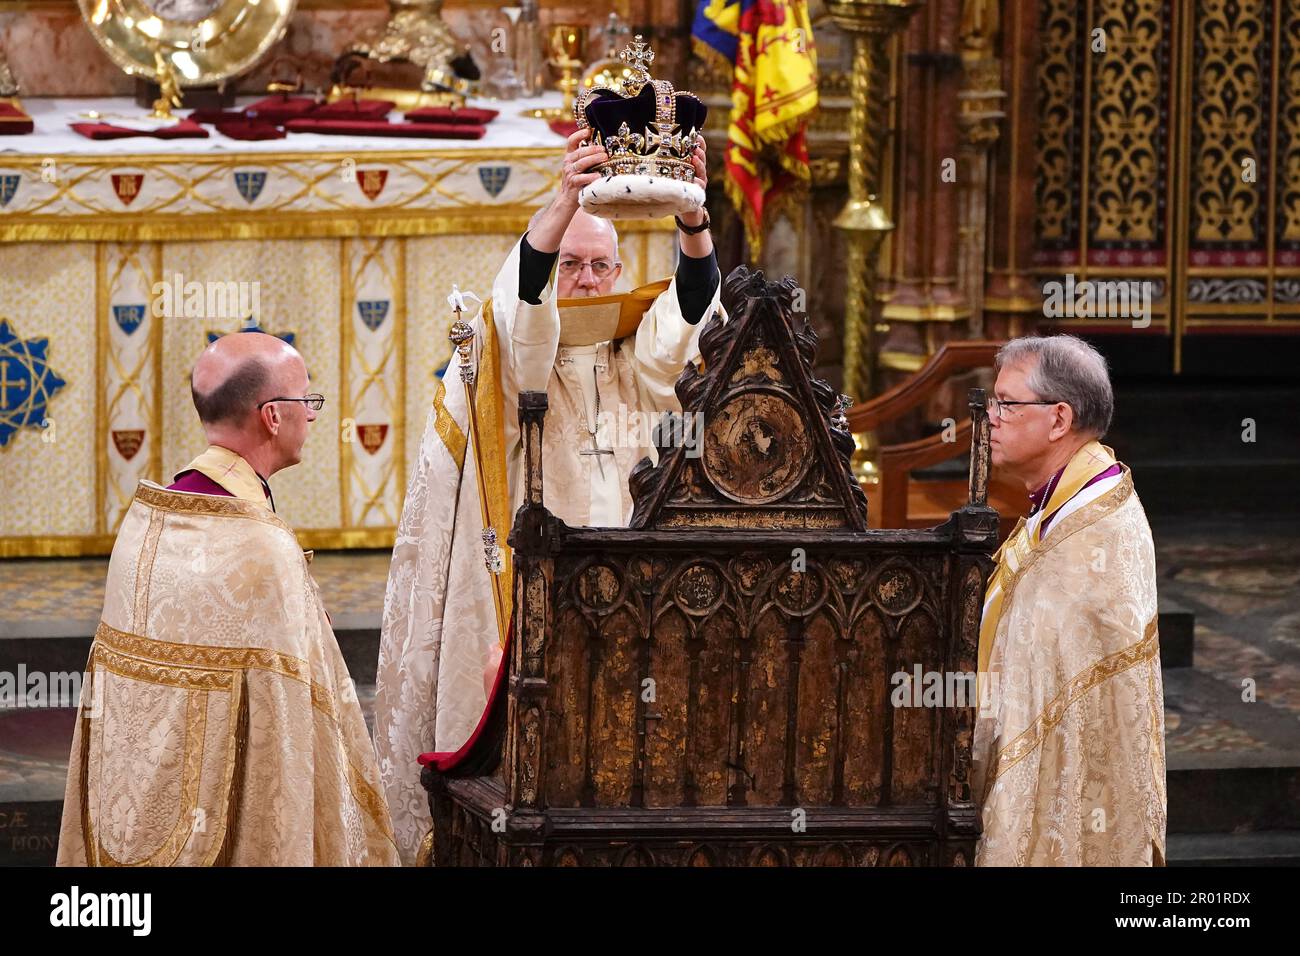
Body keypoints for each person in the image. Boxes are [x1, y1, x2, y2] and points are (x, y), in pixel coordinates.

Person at [375, 130, 724, 862]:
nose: (589, 279)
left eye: (602, 265)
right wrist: (565, 202)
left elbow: (685, 330)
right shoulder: (502, 347)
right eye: (572, 263)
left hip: (631, 589)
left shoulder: (629, 348)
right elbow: (525, 318)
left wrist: (694, 221)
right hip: (525, 593)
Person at [57, 331, 400, 866]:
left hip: (127, 817)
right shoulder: (260, 545)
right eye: (307, 400)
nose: (313, 415)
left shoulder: (146, 520)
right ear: (271, 416)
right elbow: (288, 730)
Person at [972, 334, 1166, 866]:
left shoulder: (1094, 527)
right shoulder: (1063, 499)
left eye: (1006, 403)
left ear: (1059, 419)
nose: (990, 416)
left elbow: (1048, 688)